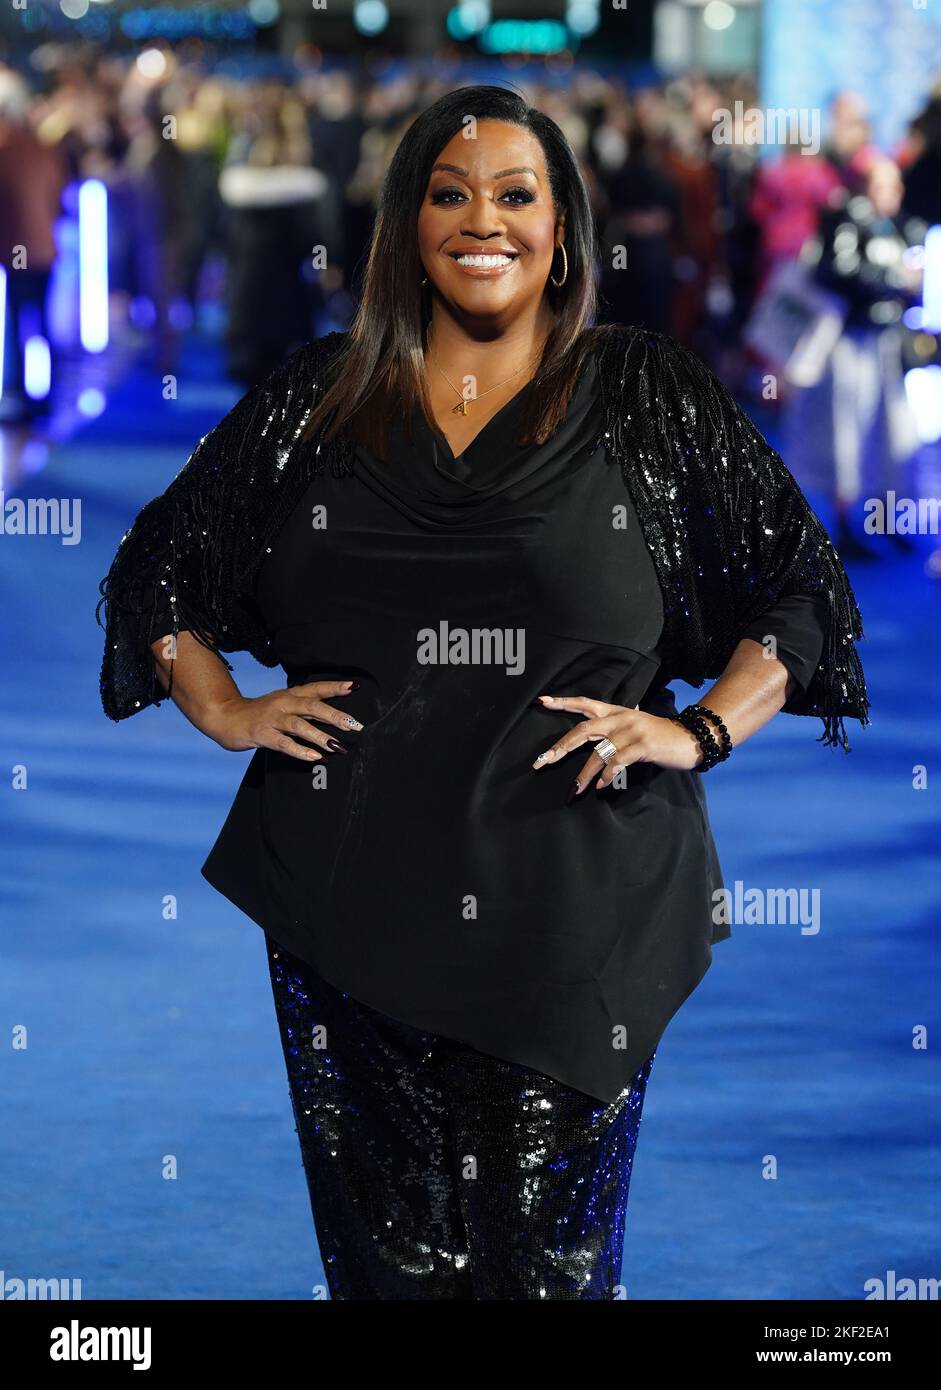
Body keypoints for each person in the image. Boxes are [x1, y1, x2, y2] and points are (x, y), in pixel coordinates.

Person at [97, 86, 870, 1301]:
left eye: (517, 196)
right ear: (407, 223)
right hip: (346, 901)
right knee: (388, 1275)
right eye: (449, 194)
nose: (482, 221)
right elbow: (161, 570)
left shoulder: (645, 398)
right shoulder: (320, 397)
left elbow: (801, 588)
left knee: (542, 1279)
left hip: (574, 905)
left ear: (561, 229)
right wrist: (228, 710)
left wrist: (697, 728)